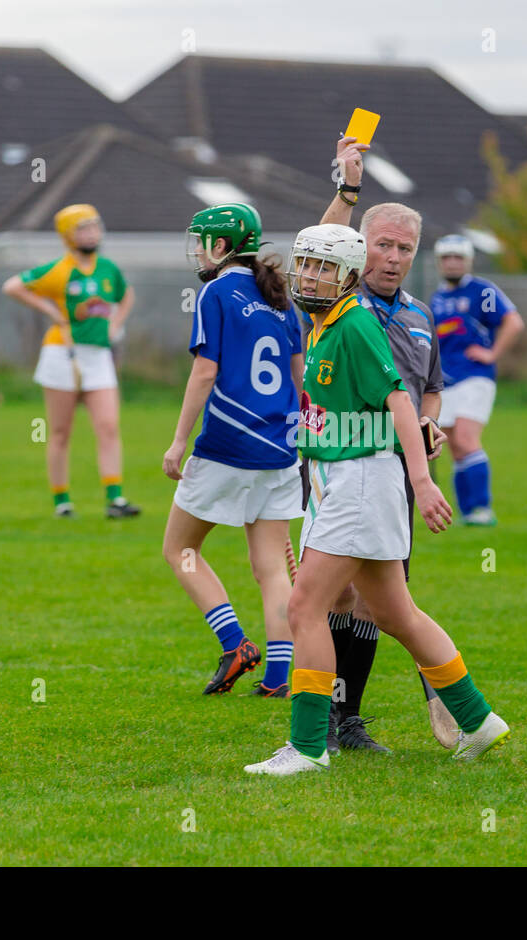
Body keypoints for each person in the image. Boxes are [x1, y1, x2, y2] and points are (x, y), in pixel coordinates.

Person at [244, 223, 510, 776]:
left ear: (348, 275)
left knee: (303, 608)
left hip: (361, 481)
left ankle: (309, 746)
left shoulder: (356, 322)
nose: (310, 274)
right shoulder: (322, 322)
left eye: (323, 266)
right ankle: (479, 721)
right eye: (306, 263)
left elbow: (396, 400)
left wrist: (424, 481)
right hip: (342, 481)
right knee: (396, 614)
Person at [310, 135, 447, 754]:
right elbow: (320, 241)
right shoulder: (341, 299)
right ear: (363, 248)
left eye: (405, 249)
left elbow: (428, 390)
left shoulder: (420, 314)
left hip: (396, 470)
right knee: (337, 595)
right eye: (383, 245)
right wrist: (348, 186)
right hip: (340, 460)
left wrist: (431, 425)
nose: (393, 257)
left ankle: (347, 720)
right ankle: (335, 722)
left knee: (377, 603)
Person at [161, 203, 304, 698]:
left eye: (202, 241)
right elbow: (297, 376)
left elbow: (205, 371)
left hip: (228, 443)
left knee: (179, 550)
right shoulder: (282, 296)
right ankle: (278, 679)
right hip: (282, 449)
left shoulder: (216, 291)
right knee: (269, 568)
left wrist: (180, 440)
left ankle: (234, 643)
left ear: (220, 247)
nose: (197, 251)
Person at [1, 204, 140, 519]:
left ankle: (115, 500)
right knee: (62, 431)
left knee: (108, 426)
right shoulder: (59, 270)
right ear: (67, 235)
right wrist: (51, 312)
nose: (92, 233)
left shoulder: (108, 269)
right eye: (83, 228)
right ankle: (62, 502)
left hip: (98, 354)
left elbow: (126, 295)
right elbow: (13, 286)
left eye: (95, 226)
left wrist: (116, 324)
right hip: (62, 353)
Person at [431, 234, 525, 526]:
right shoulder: (438, 297)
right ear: (439, 262)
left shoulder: (482, 291)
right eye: (447, 258)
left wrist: (492, 353)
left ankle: (483, 509)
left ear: (468, 261)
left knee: (467, 438)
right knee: (454, 445)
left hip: (475, 376)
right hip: (447, 380)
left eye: (458, 257)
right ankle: (467, 513)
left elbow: (514, 322)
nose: (452, 263)